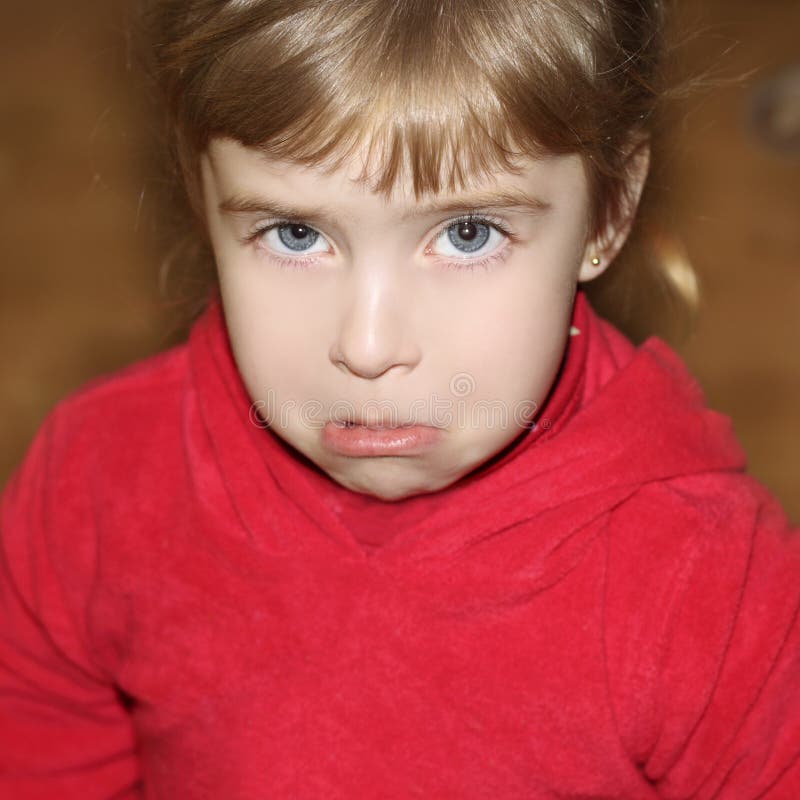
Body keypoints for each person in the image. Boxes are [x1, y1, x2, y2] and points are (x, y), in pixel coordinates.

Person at [1, 1, 798, 797]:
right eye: (297, 234)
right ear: (202, 193)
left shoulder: (722, 592)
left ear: (610, 208)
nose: (369, 346)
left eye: (468, 234)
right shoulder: (96, 481)